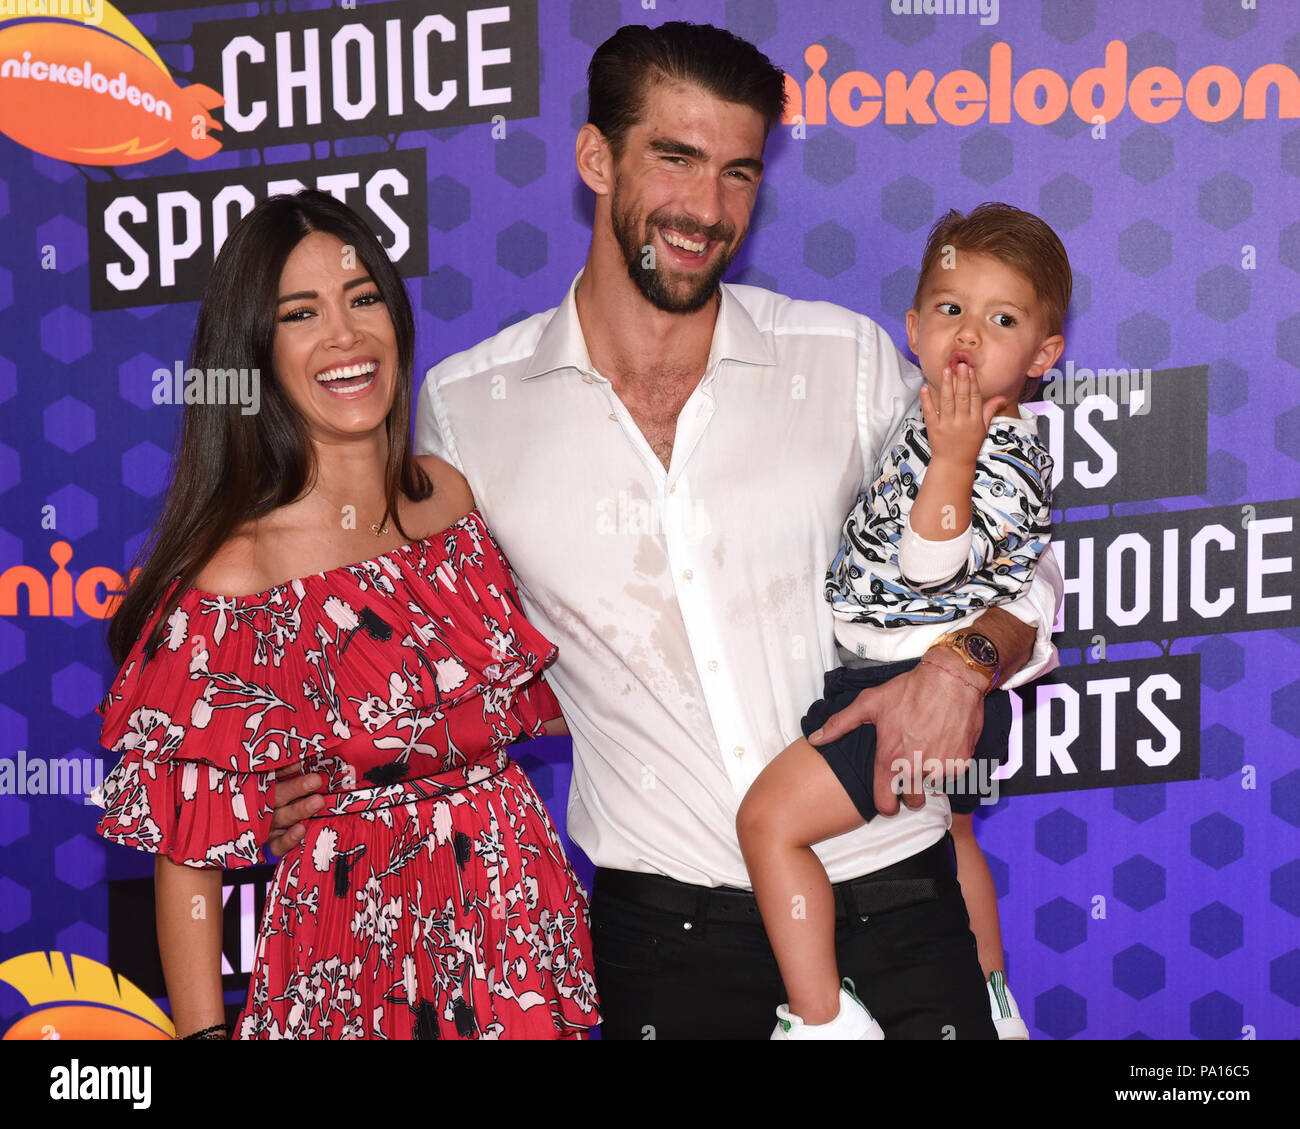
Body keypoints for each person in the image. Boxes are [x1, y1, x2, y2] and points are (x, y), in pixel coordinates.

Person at [271, 21, 1064, 1040]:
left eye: (739, 172)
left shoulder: (846, 360)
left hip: (895, 903)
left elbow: (1018, 563)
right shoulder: (470, 408)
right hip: (665, 947)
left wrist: (965, 662)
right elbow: (441, 651)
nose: (707, 208)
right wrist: (326, 766)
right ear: (595, 158)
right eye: (676, 159)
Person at [91, 190, 598, 1040]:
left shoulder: (449, 499)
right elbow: (188, 858)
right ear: (255, 352)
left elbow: (527, 699)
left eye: (363, 299)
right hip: (353, 955)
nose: (345, 336)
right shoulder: (238, 571)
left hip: (514, 924)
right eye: (301, 314)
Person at [736, 203, 1069, 1039]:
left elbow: (930, 562)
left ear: (1043, 356)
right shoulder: (923, 416)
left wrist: (952, 458)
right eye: (952, 308)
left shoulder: (997, 451)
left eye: (1003, 319)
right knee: (956, 833)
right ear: (913, 328)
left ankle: (822, 1019)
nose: (970, 334)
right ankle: (993, 998)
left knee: (769, 823)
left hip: (909, 686)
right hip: (931, 685)